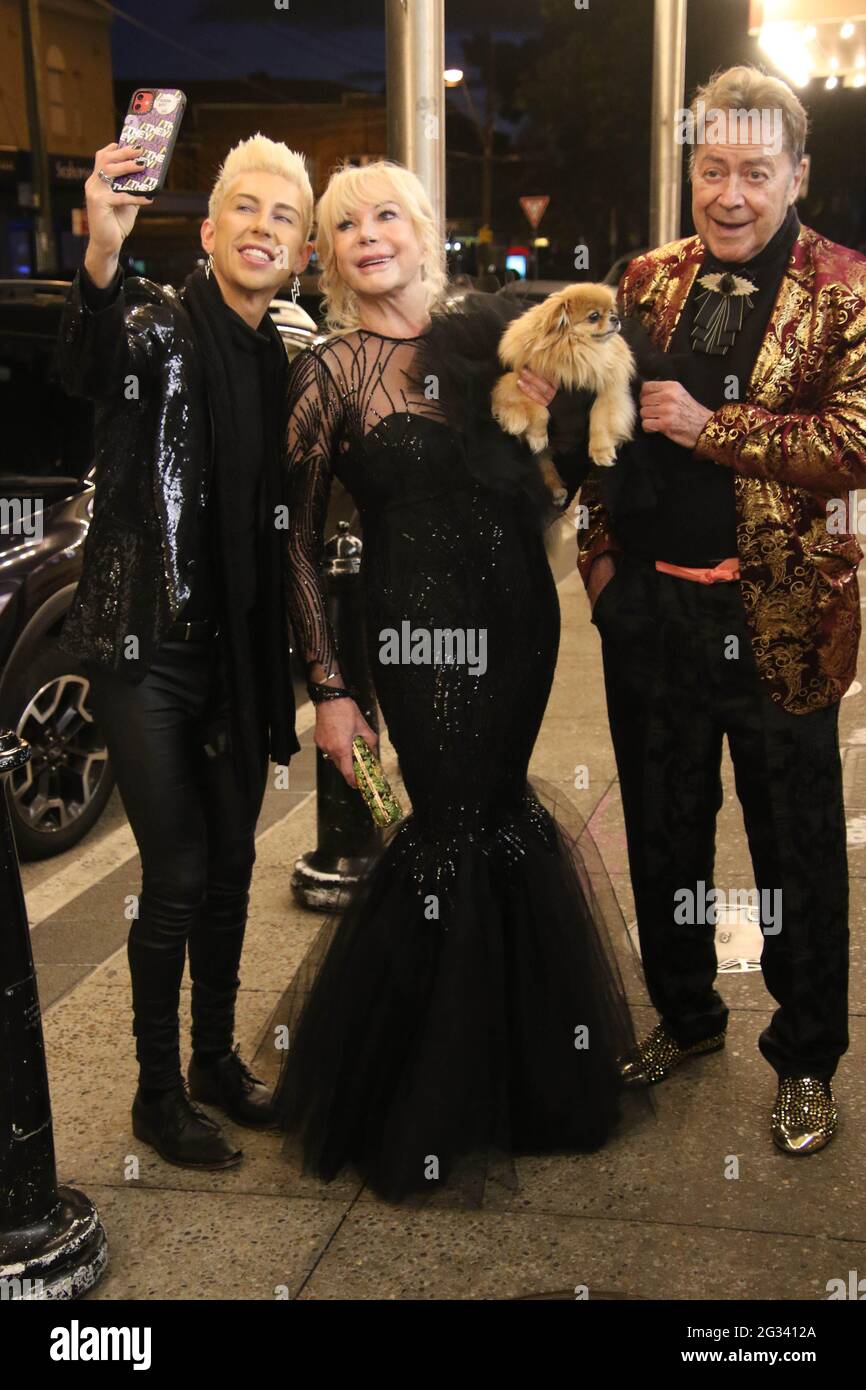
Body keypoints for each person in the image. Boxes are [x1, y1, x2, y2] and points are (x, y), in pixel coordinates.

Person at [266, 159, 648, 1206]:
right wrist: (330, 689)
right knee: (444, 823)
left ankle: (522, 1081)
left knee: (499, 812)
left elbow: (565, 479)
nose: (367, 236)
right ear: (331, 255)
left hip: (519, 618)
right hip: (415, 630)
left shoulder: (493, 333)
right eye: (345, 227)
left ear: (421, 226)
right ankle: (429, 1098)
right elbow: (291, 541)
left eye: (385, 214)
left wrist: (548, 429)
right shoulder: (329, 372)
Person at [531, 65, 865, 1154]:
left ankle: (806, 1057)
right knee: (664, 839)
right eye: (711, 168)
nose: (729, 193)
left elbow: (852, 443)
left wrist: (707, 426)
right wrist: (599, 576)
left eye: (754, 172)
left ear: (796, 175)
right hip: (652, 622)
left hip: (780, 629)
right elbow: (595, 438)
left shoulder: (846, 288)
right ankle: (684, 1016)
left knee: (796, 855)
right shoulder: (645, 277)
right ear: (689, 169)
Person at [57, 133, 314, 1169]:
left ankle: (214, 1060)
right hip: (146, 647)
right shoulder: (158, 327)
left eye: (282, 217)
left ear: (296, 248)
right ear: (208, 233)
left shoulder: (284, 357)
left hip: (238, 658)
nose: (261, 227)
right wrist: (102, 249)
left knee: (233, 865)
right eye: (243, 209)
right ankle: (154, 1094)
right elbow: (86, 361)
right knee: (175, 875)